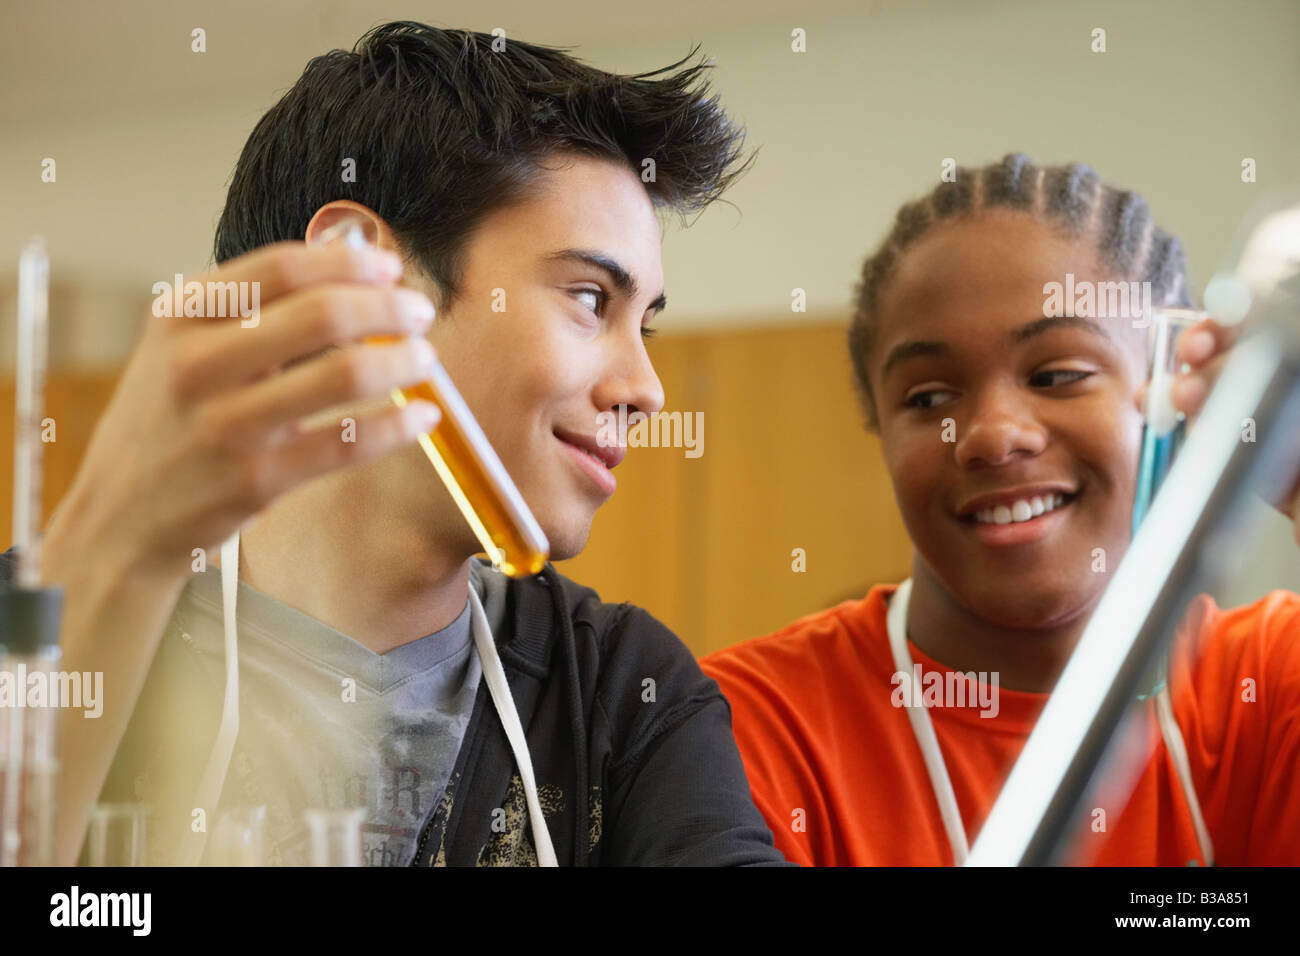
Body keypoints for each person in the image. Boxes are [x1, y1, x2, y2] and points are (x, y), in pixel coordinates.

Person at [2, 21, 785, 866]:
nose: (647, 390)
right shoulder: (33, 623)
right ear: (363, 276)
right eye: (592, 299)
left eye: (647, 327)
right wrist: (115, 549)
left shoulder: (622, 692)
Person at [701, 154, 1300, 866]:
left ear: (1178, 387)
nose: (990, 434)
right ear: (879, 426)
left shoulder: (1272, 682)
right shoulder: (744, 723)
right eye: (928, 398)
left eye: (1057, 374)